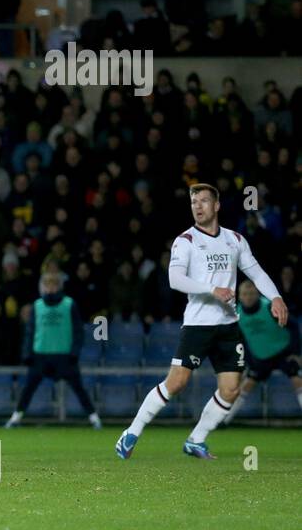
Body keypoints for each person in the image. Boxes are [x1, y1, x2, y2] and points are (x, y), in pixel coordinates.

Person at [116, 184, 288, 460]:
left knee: (231, 389)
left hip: (229, 326)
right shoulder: (185, 241)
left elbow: (255, 272)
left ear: (216, 206)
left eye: (204, 201)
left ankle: (196, 440)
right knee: (177, 383)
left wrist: (276, 297)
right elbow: (175, 279)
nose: (197, 206)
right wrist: (212, 290)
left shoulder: (235, 240)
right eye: (194, 201)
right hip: (198, 325)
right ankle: (132, 431)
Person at [5, 271, 101, 429]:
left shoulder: (69, 304)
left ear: (59, 286)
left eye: (53, 284)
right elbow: (30, 331)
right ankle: (15, 418)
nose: (50, 288)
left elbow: (78, 331)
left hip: (64, 355)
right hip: (40, 355)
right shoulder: (37, 305)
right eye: (47, 285)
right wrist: (27, 353)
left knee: (79, 388)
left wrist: (74, 352)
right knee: (28, 389)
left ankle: (94, 419)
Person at [223, 279, 302, 422]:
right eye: (245, 294)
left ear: (258, 294)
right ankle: (224, 421)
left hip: (283, 353)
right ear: (239, 296)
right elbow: (240, 340)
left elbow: (294, 325)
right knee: (246, 385)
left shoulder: (270, 307)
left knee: (298, 379)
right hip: (260, 357)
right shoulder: (236, 314)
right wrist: (247, 361)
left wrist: (296, 353)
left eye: (251, 293)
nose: (248, 297)